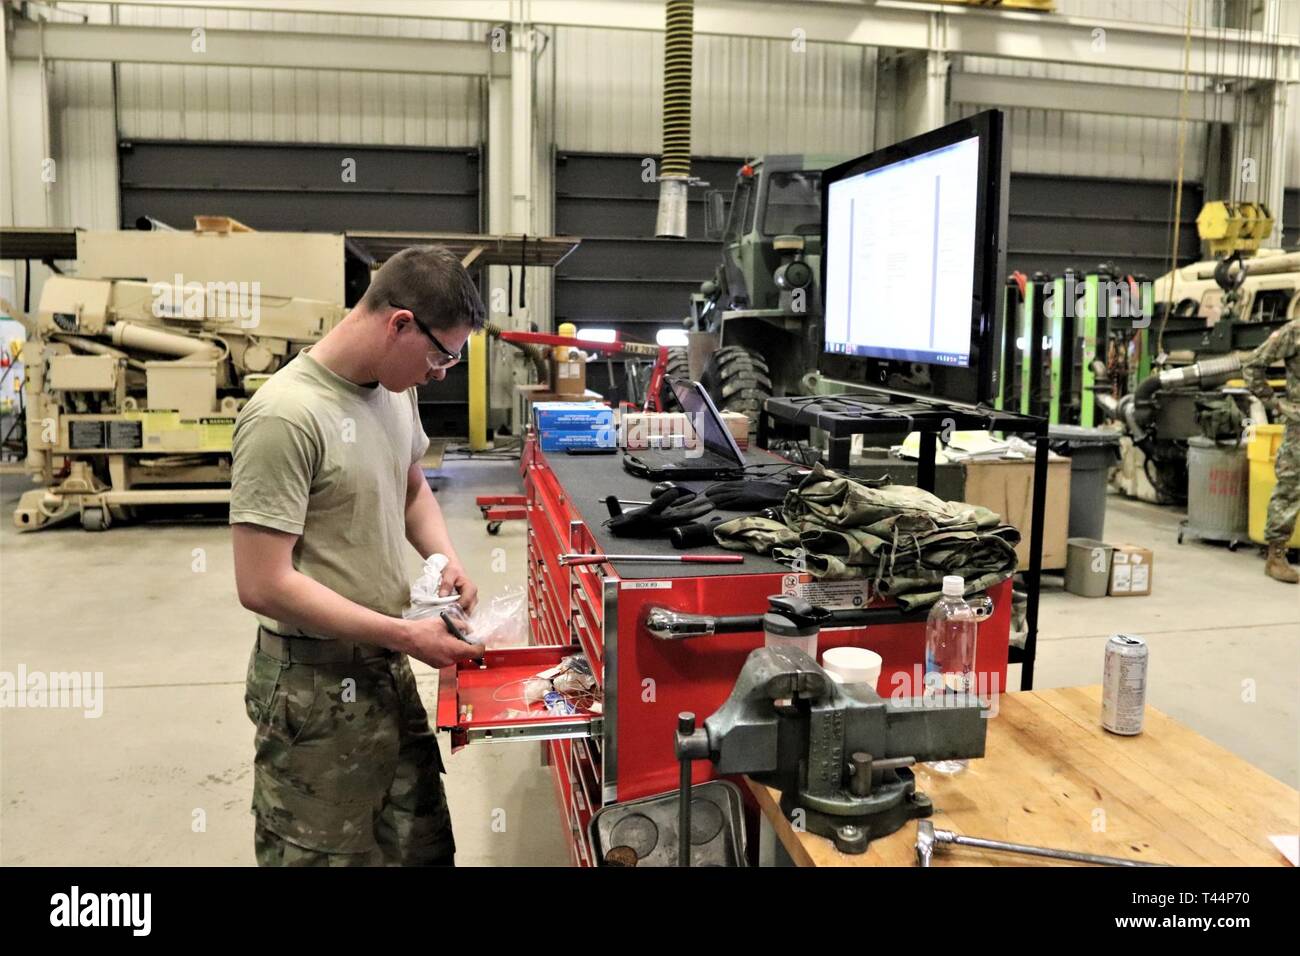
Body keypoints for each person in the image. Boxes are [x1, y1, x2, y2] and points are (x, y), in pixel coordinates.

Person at [230, 245, 486, 865]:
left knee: (419, 848)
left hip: (385, 667)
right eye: (441, 355)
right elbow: (263, 583)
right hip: (312, 688)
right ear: (398, 323)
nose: (443, 372)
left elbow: (411, 484)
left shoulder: (394, 391)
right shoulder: (287, 417)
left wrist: (444, 556)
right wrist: (405, 634)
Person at [1243, 318, 1300, 584]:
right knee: (1290, 488)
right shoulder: (1294, 332)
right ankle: (1276, 556)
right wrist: (1274, 403)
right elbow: (1253, 364)